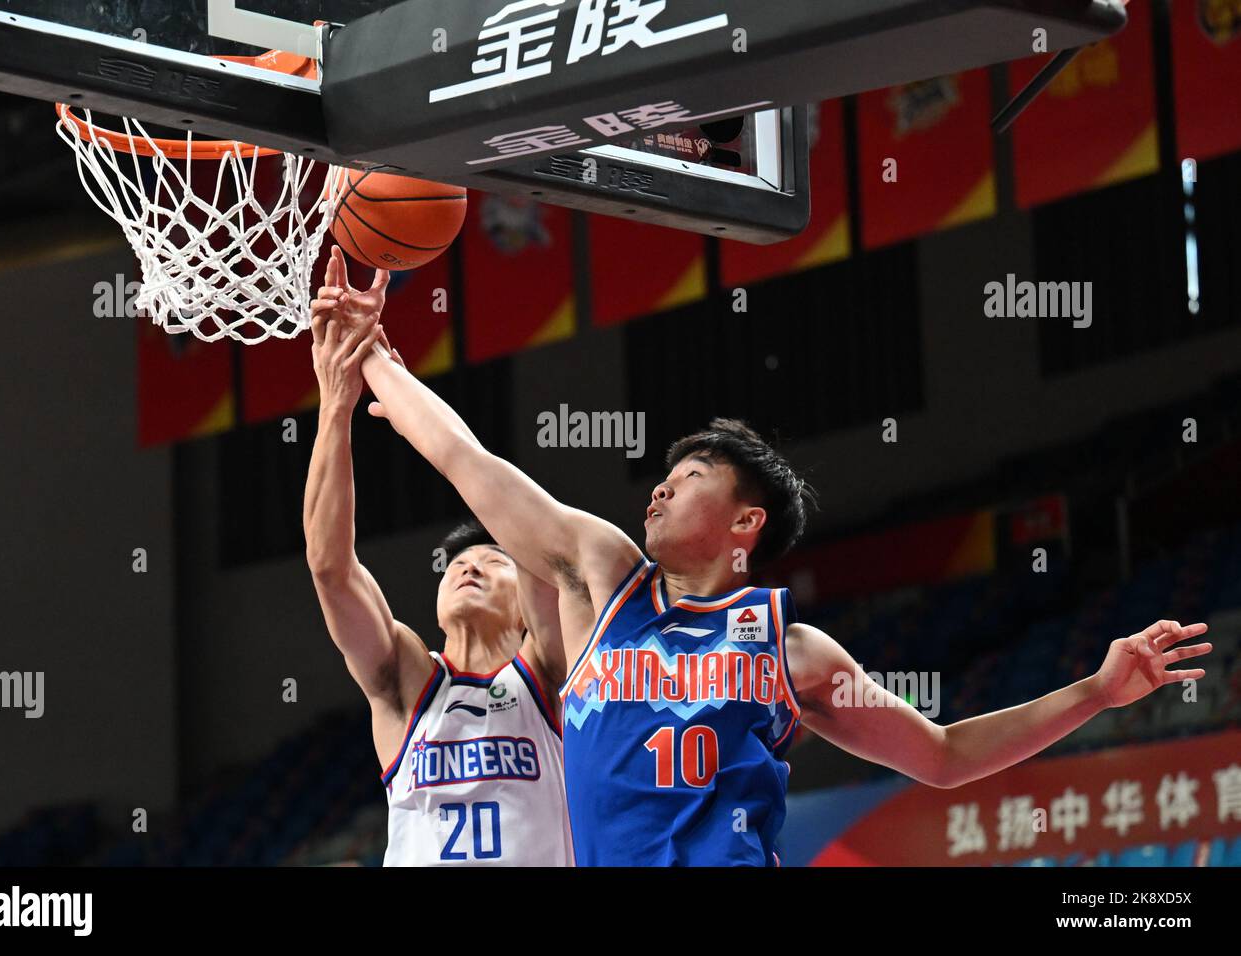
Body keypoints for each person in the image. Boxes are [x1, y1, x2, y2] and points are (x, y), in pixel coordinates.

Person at [314, 245, 1213, 866]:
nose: (660, 488)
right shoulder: (601, 582)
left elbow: (940, 756)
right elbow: (472, 465)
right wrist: (376, 361)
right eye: (662, 475)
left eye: (690, 474)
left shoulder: (790, 654)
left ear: (745, 525)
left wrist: (1096, 692)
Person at [302, 294, 571, 865]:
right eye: (456, 565)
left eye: (494, 561)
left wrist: (404, 399)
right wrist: (335, 405)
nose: (470, 564)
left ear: (526, 602)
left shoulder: (550, 672)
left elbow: (509, 507)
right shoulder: (406, 680)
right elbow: (330, 566)